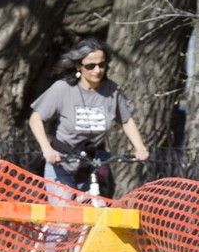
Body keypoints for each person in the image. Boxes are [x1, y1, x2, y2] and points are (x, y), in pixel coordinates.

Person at [28, 37, 149, 198]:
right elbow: (35, 119)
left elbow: (126, 120)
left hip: (90, 165)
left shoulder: (112, 91)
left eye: (102, 65)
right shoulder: (63, 89)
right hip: (61, 163)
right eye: (90, 66)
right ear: (79, 66)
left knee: (93, 213)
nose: (97, 70)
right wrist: (46, 149)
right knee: (64, 218)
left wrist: (140, 148)